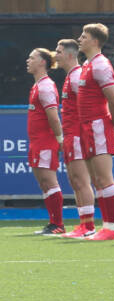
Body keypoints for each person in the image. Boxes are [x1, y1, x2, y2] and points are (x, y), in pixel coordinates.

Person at [77, 23, 114, 241]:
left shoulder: (101, 65)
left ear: (95, 41)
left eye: (84, 36)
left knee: (105, 178)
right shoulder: (87, 64)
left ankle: (113, 228)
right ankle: (106, 226)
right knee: (97, 179)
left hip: (98, 125)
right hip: (87, 126)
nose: (80, 39)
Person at [53, 39, 98, 239]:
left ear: (70, 55)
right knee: (75, 180)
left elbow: (88, 104)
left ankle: (89, 226)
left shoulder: (77, 75)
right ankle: (83, 225)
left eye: (59, 51)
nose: (56, 55)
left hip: (79, 135)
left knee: (81, 180)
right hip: (72, 135)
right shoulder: (71, 76)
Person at [26, 48, 64, 235]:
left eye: (32, 58)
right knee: (44, 182)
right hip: (37, 142)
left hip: (45, 142)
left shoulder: (46, 86)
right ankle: (53, 223)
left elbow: (54, 116)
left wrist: (59, 139)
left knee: (49, 181)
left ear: (42, 62)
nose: (28, 60)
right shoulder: (38, 85)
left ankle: (58, 224)